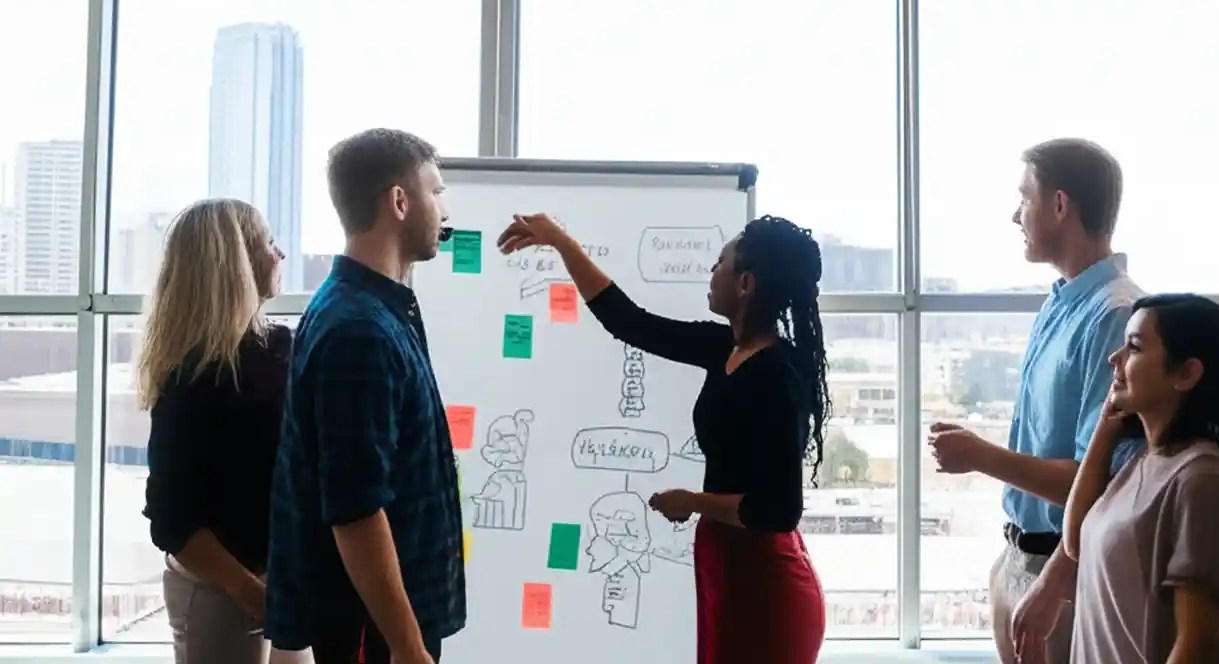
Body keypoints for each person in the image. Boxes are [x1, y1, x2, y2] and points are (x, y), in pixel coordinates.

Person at [496, 212, 828, 664]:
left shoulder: (775, 376)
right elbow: (630, 323)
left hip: (765, 581)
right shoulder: (726, 350)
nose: (712, 273)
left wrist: (692, 501)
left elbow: (779, 510)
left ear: (746, 284)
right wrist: (560, 242)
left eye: (720, 263)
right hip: (726, 564)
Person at [926, 138, 1145, 664]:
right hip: (1019, 558)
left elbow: (1098, 481)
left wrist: (981, 457)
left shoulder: (1113, 315)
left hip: (1064, 574)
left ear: (1060, 205)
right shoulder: (1061, 303)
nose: (1014, 215)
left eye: (1024, 198)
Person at [266, 129, 464, 664]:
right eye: (436, 192)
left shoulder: (377, 310)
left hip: (385, 620)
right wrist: (405, 645)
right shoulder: (359, 329)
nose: (443, 209)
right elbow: (355, 508)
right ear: (399, 201)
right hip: (370, 628)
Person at [139, 198, 291, 664]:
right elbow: (172, 518)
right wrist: (247, 590)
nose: (280, 253)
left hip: (277, 580)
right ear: (237, 264)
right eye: (269, 242)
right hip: (218, 589)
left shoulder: (281, 347)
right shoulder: (193, 378)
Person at [1063, 294, 1219, 663]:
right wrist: (1106, 425)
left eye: (1134, 347)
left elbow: (1195, 645)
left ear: (1186, 374)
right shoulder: (1145, 459)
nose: (1114, 359)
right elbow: (1076, 542)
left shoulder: (1200, 479)